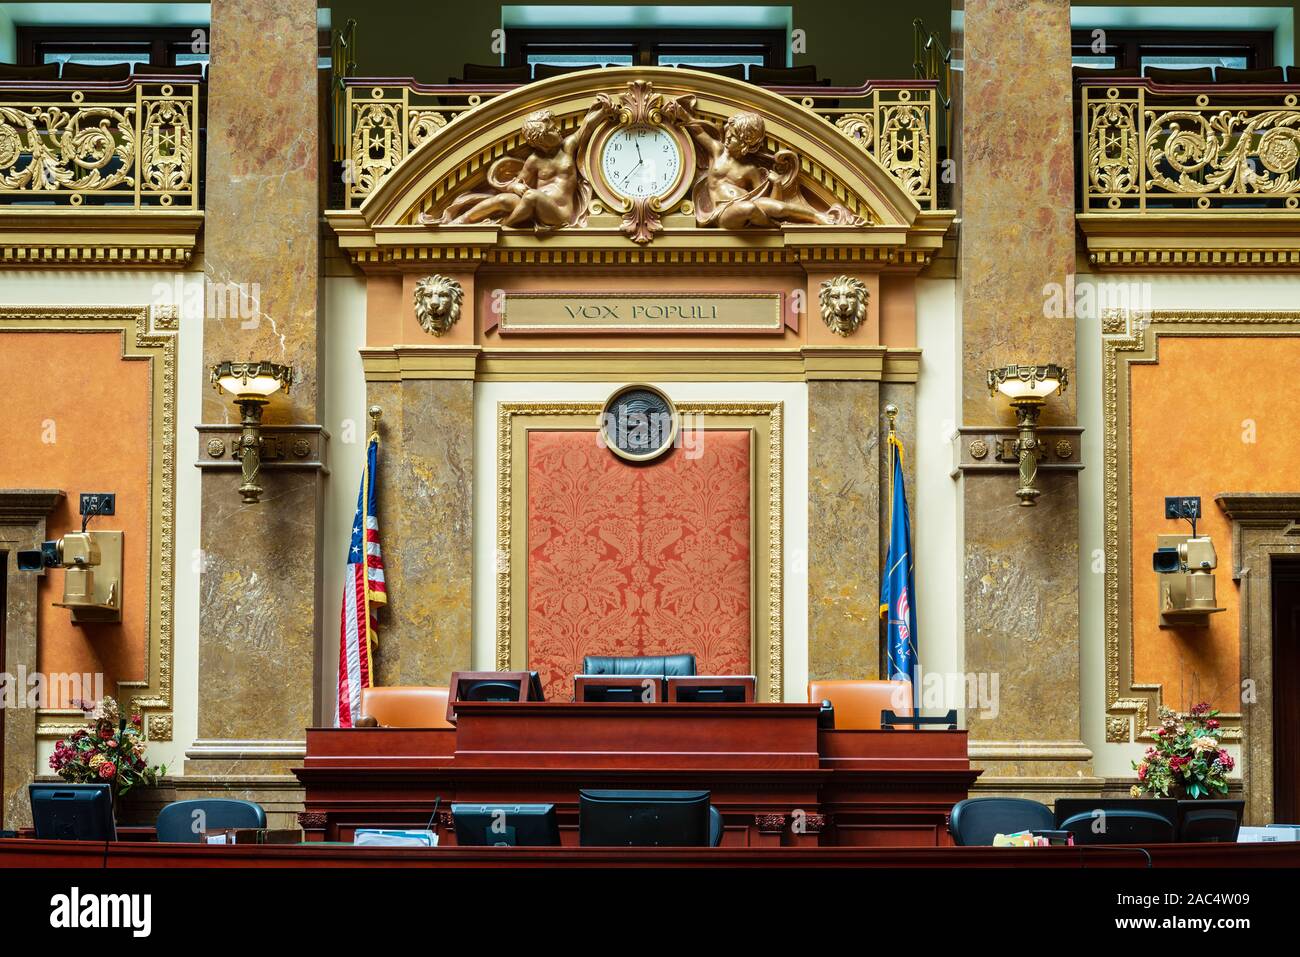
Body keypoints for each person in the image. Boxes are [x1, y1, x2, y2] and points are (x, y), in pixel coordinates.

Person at [432, 98, 615, 230]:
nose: (558, 129)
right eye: (552, 129)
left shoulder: (567, 148)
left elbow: (585, 128)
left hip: (559, 212)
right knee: (502, 200)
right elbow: (518, 182)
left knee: (531, 197)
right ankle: (459, 221)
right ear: (541, 140)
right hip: (532, 206)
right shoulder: (534, 160)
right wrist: (515, 187)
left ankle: (505, 225)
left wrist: (603, 111)